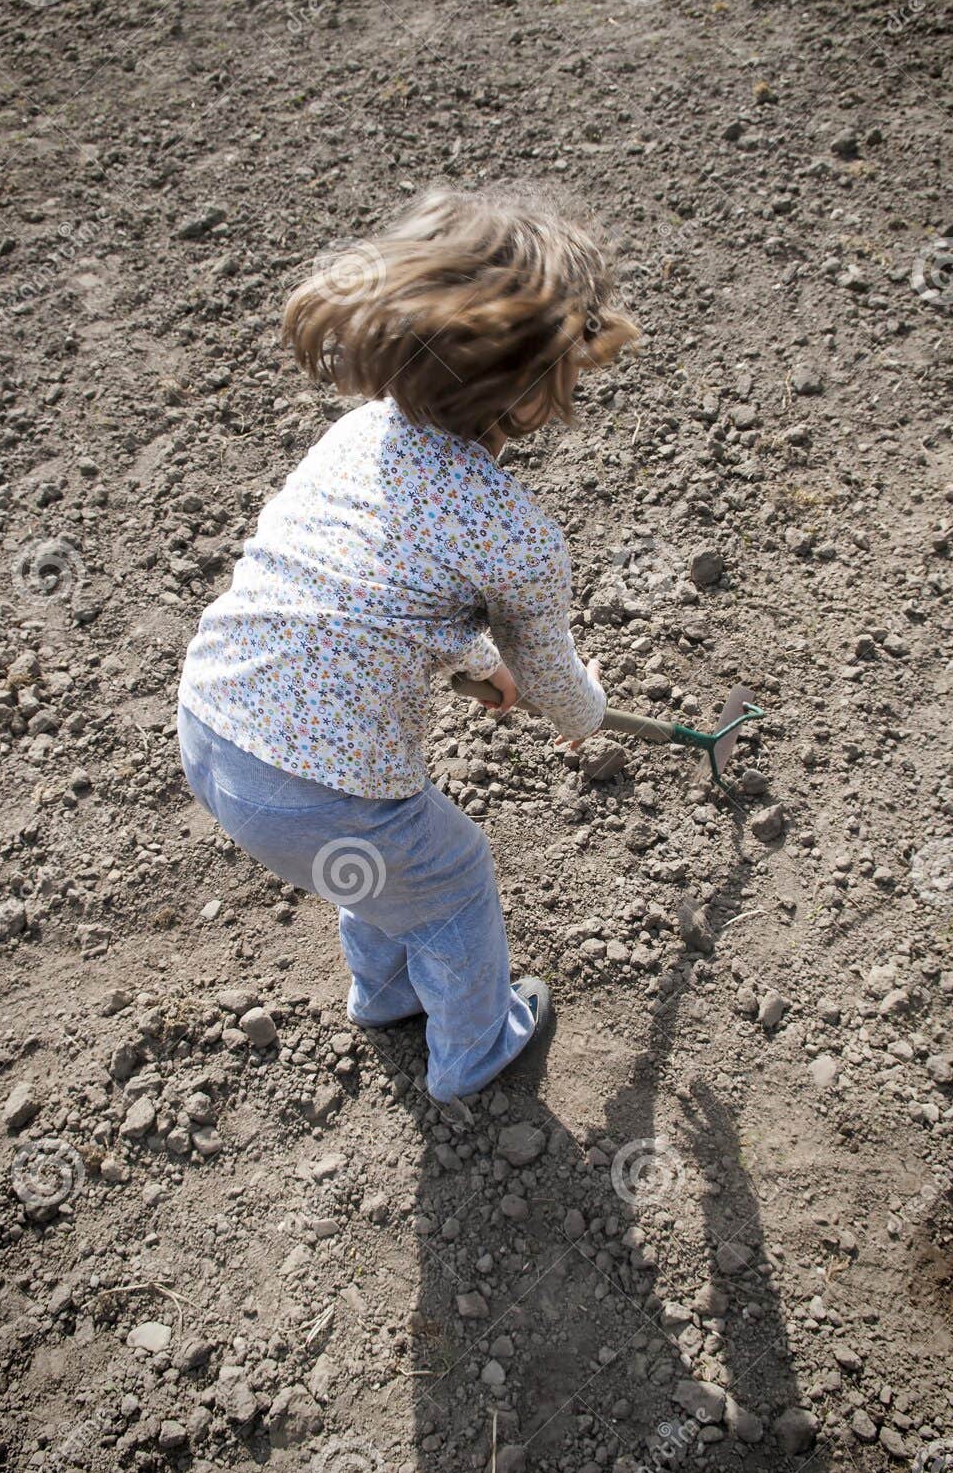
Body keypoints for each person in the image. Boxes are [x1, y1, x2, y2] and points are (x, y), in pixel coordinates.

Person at [177, 187, 638, 1102]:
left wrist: (477, 666)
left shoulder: (355, 436)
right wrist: (581, 709)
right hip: (321, 794)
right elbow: (555, 685)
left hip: (211, 729)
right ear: (538, 389)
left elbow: (371, 590)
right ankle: (475, 1050)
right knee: (452, 872)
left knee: (386, 872)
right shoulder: (518, 537)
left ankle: (385, 995)